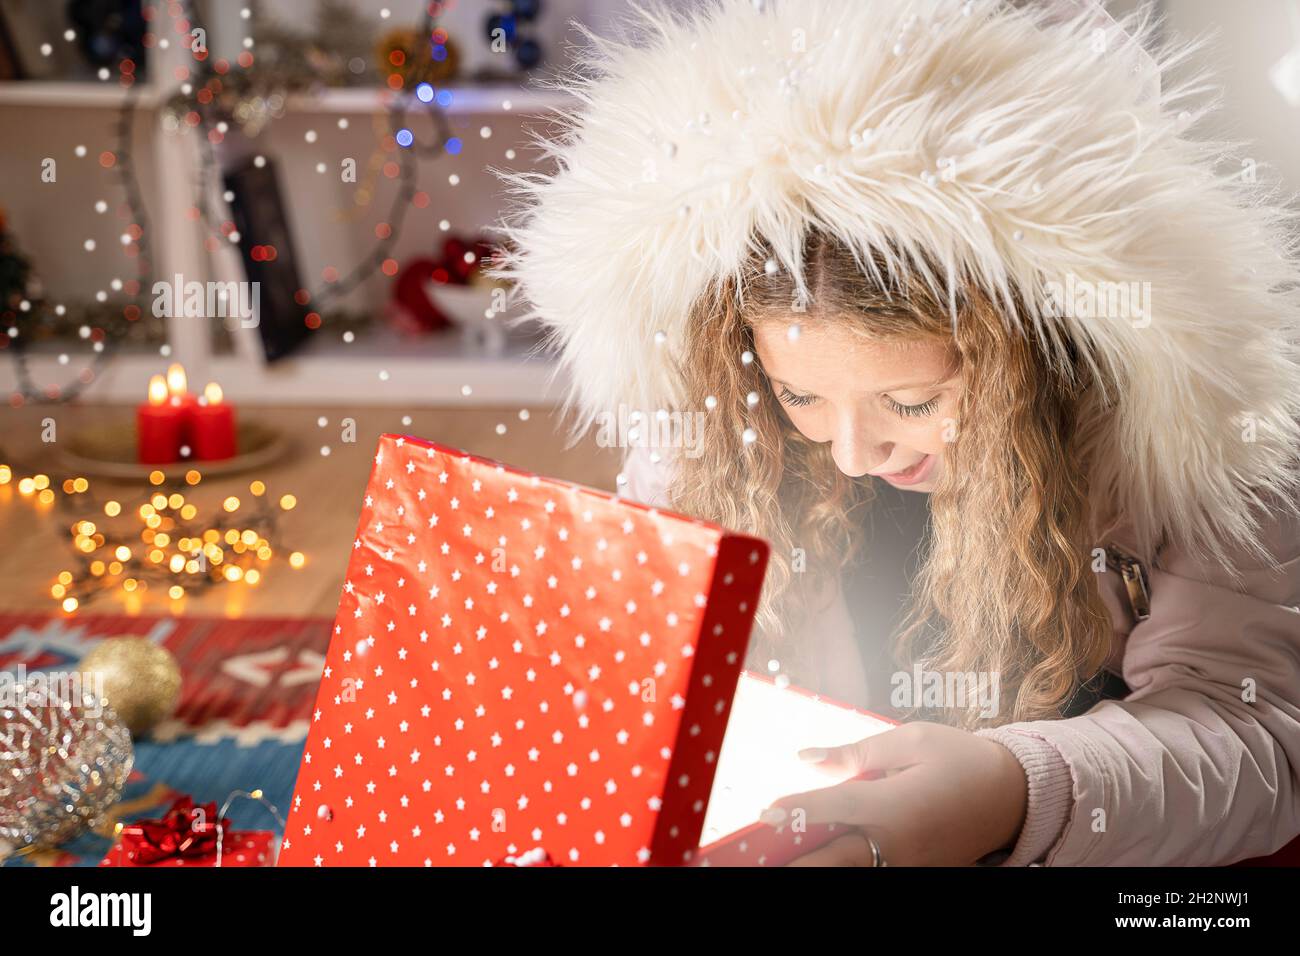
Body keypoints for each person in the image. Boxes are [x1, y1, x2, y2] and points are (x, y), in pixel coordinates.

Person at [492, 0, 1300, 865]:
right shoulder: (719, 426)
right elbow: (655, 665)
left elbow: (1257, 733)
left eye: (912, 404)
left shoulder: (1205, 444)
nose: (851, 452)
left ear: (1052, 357)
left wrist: (1013, 792)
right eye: (799, 395)